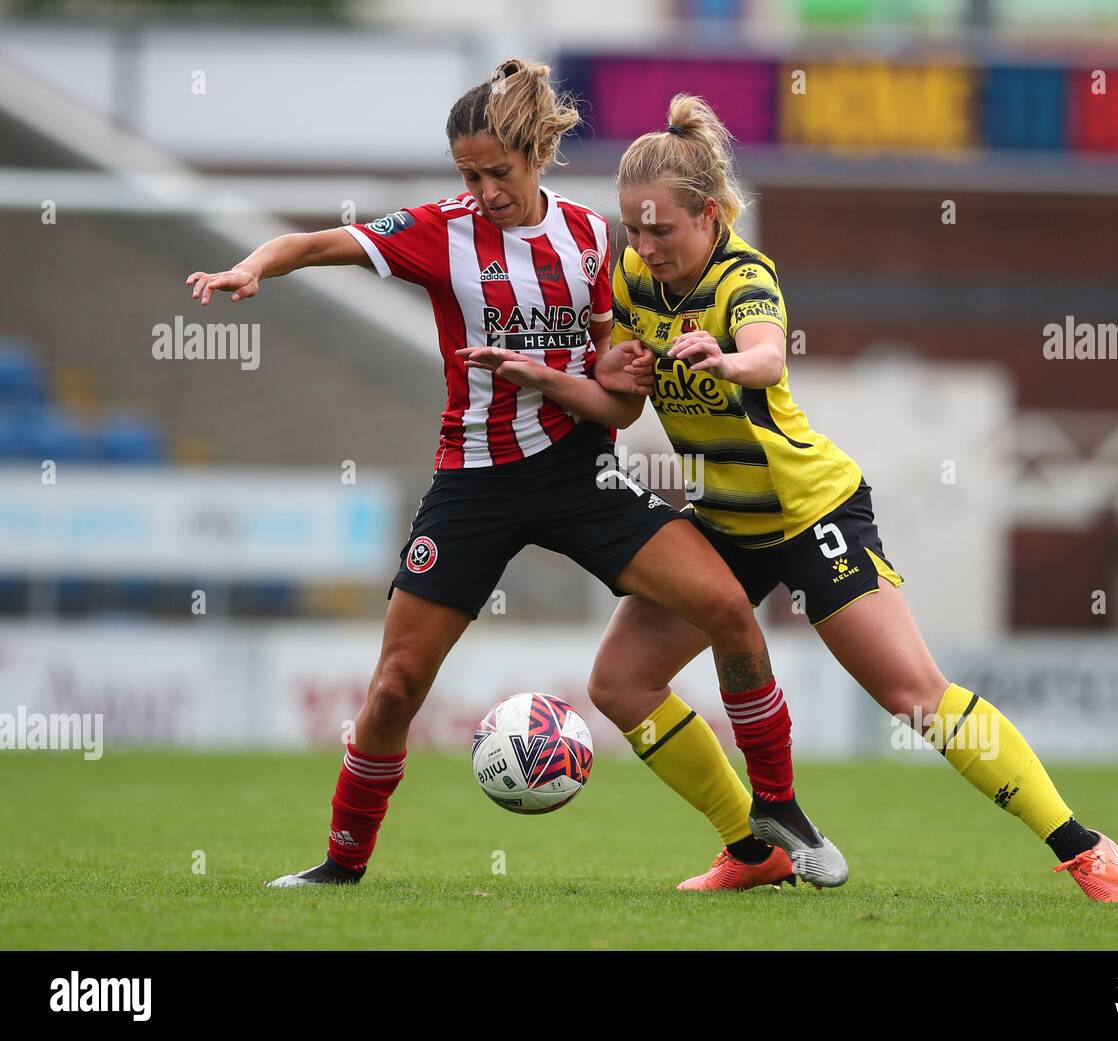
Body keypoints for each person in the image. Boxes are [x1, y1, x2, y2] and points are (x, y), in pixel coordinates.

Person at [185, 60, 844, 891]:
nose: (484, 189)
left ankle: (768, 828)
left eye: (498, 171)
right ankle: (341, 865)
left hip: (581, 474)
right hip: (474, 482)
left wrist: (618, 369)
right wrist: (255, 266)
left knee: (725, 606)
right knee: (394, 686)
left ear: (535, 156)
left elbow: (618, 408)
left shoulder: (592, 239)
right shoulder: (439, 229)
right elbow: (315, 242)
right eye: (469, 173)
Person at [581, 94, 1118, 903]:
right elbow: (622, 391)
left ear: (708, 215)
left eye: (660, 230)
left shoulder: (746, 275)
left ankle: (1083, 844)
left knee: (915, 694)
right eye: (632, 230)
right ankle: (752, 845)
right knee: (620, 684)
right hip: (722, 523)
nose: (643, 246)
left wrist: (727, 362)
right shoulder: (634, 277)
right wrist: (608, 372)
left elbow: (768, 357)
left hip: (810, 512)